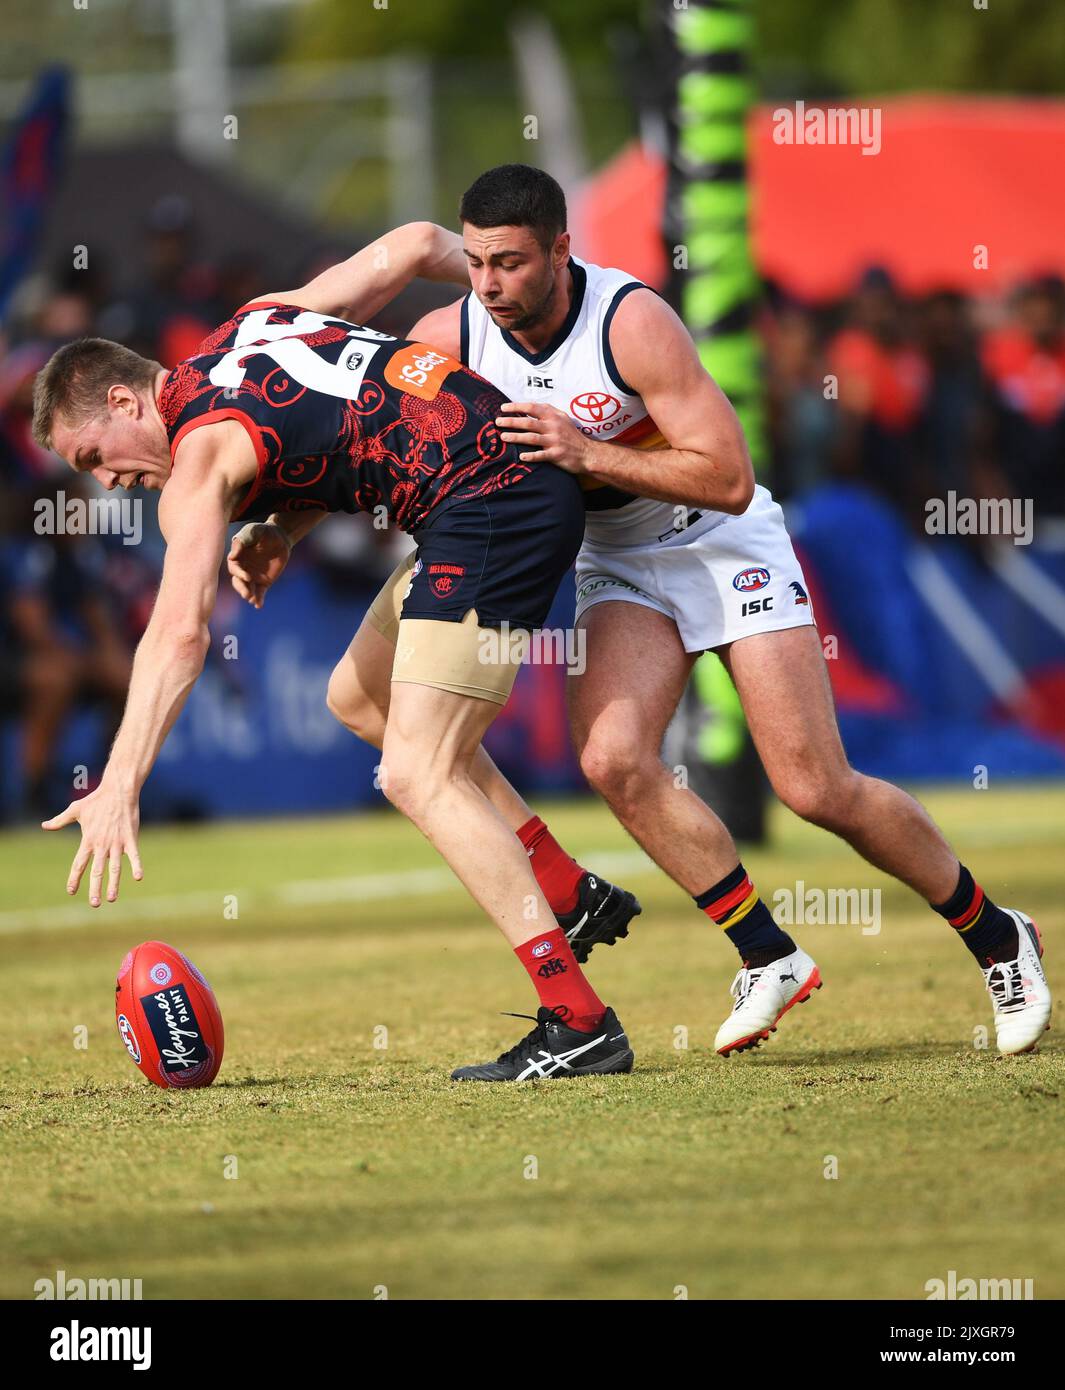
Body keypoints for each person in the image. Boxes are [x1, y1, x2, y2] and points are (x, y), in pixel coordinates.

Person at [302, 165, 1049, 1060]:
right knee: (613, 760)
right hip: (616, 560)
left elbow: (728, 480)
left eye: (509, 263)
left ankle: (998, 937)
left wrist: (586, 452)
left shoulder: (631, 323)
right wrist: (282, 524)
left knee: (815, 788)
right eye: (474, 263)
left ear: (561, 253)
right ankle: (766, 954)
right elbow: (360, 429)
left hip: (721, 545)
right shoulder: (449, 334)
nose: (490, 285)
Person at [32, 220, 641, 1083]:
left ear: (128, 402)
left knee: (413, 774)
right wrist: (281, 526)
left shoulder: (197, 459)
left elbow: (175, 636)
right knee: (357, 701)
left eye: (95, 457)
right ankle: (565, 890)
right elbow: (418, 245)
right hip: (497, 491)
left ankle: (576, 1020)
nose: (107, 481)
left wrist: (119, 783)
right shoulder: (253, 323)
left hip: (493, 508)